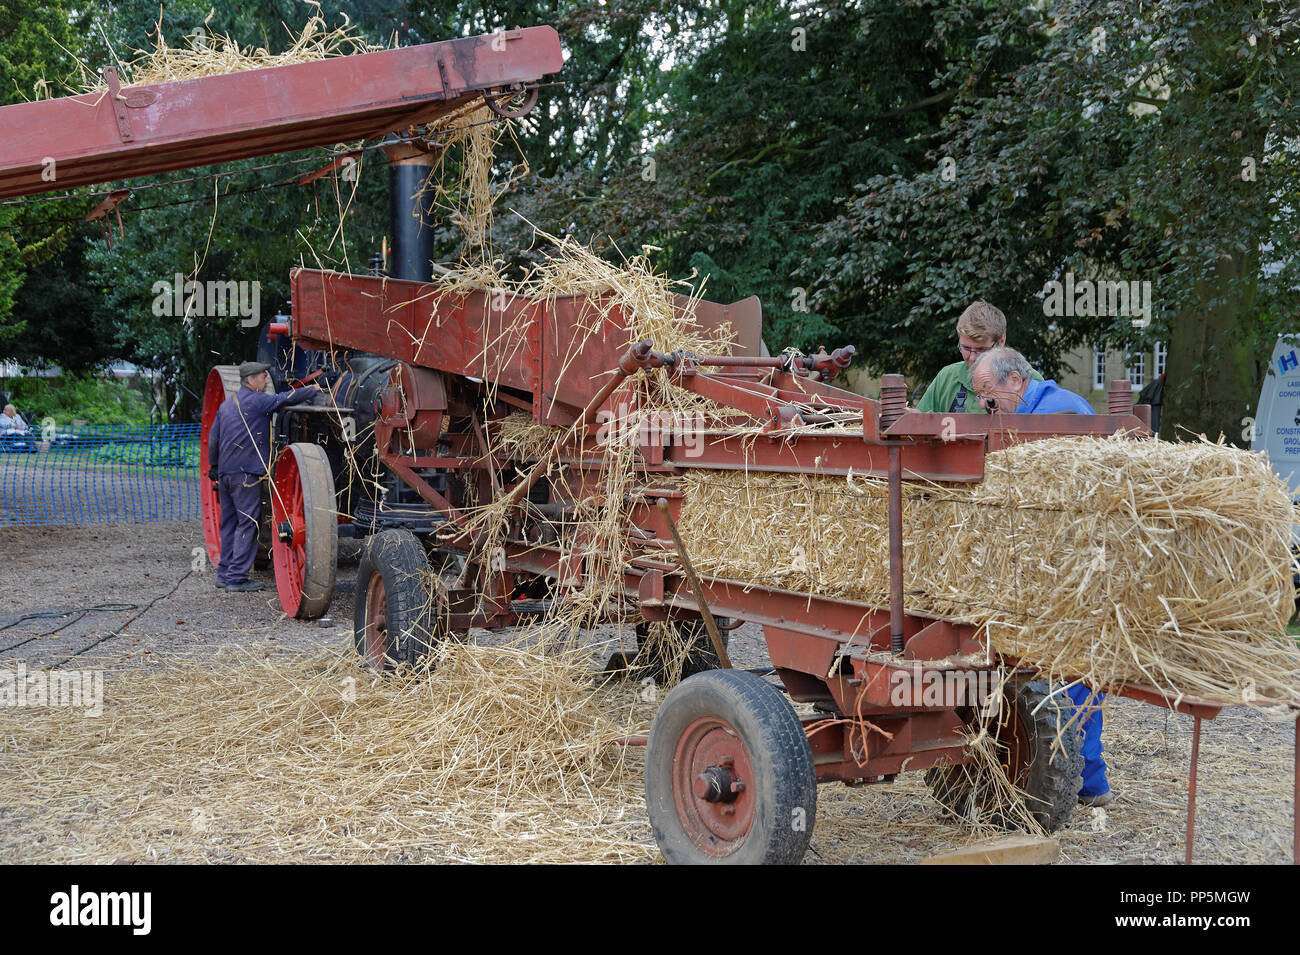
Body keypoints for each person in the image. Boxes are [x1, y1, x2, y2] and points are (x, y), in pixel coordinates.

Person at [970, 345, 1112, 806]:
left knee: (1073, 678)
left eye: (987, 393)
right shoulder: (1022, 414)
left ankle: (1087, 784)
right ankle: (1083, 782)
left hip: (1075, 567)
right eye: (978, 396)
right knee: (1056, 675)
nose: (983, 405)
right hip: (1042, 570)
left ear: (1016, 381)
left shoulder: (1061, 411)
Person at [207, 361, 320, 592]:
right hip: (246, 474)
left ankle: (224, 574)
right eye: (262, 377)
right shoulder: (258, 401)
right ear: (250, 381)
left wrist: (215, 467)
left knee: (229, 523)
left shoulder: (227, 405)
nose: (267, 381)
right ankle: (237, 578)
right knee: (248, 522)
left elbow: (213, 440)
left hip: (226, 474)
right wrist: (313, 390)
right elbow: (285, 399)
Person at [914, 301, 1041, 414]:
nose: (973, 358)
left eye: (981, 350)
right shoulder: (947, 377)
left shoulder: (1029, 380)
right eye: (966, 348)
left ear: (1001, 341)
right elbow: (918, 427)